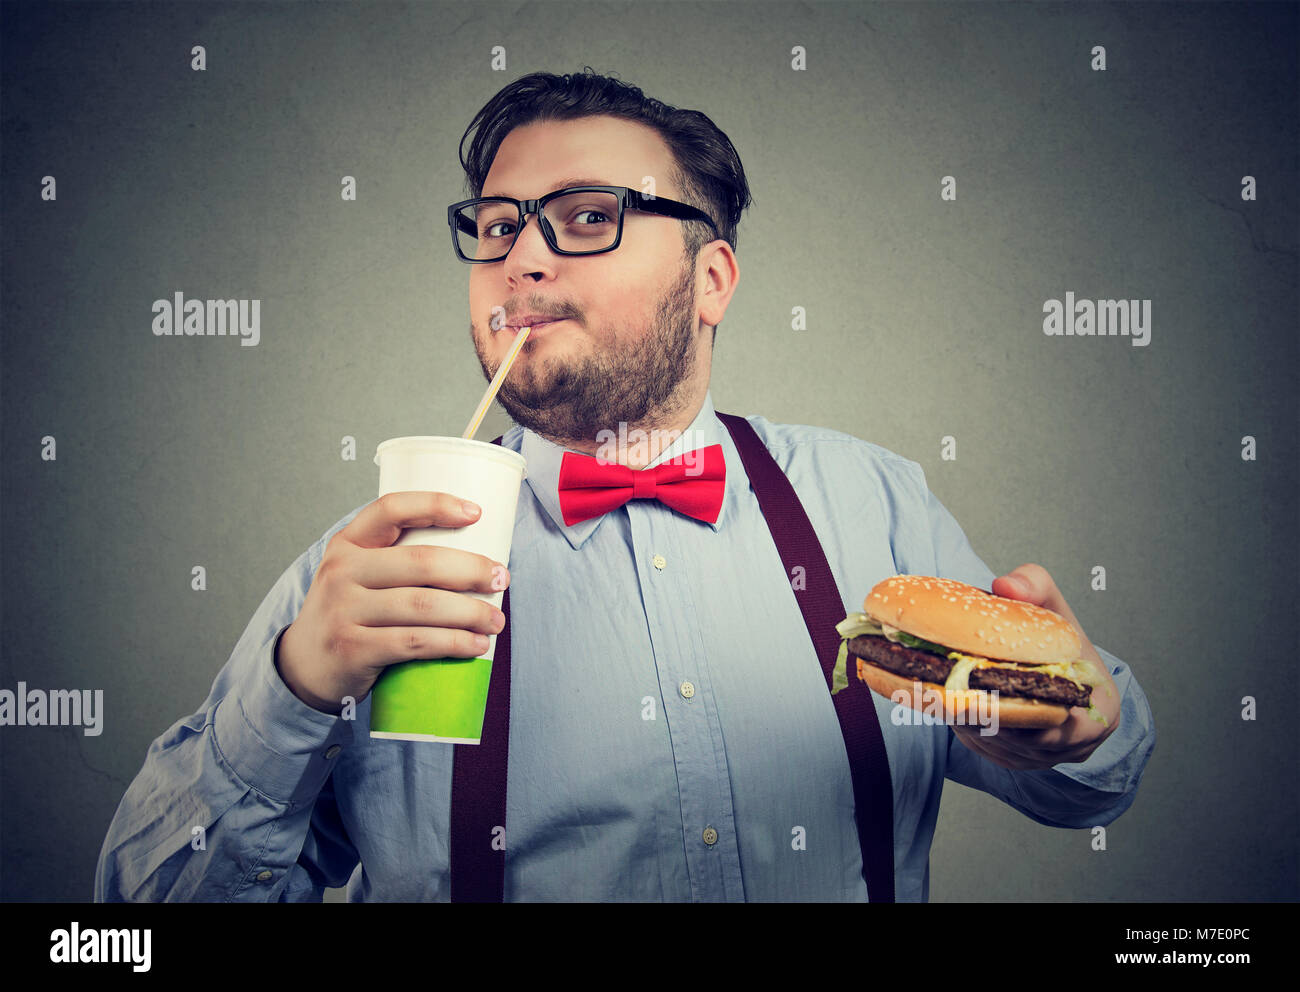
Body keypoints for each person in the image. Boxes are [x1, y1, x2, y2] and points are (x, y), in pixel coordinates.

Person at [95, 69, 1155, 902]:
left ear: (711, 281)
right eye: (500, 224)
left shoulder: (869, 506)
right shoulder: (375, 568)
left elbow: (1084, 783)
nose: (522, 261)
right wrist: (292, 685)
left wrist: (1073, 721)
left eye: (587, 215)